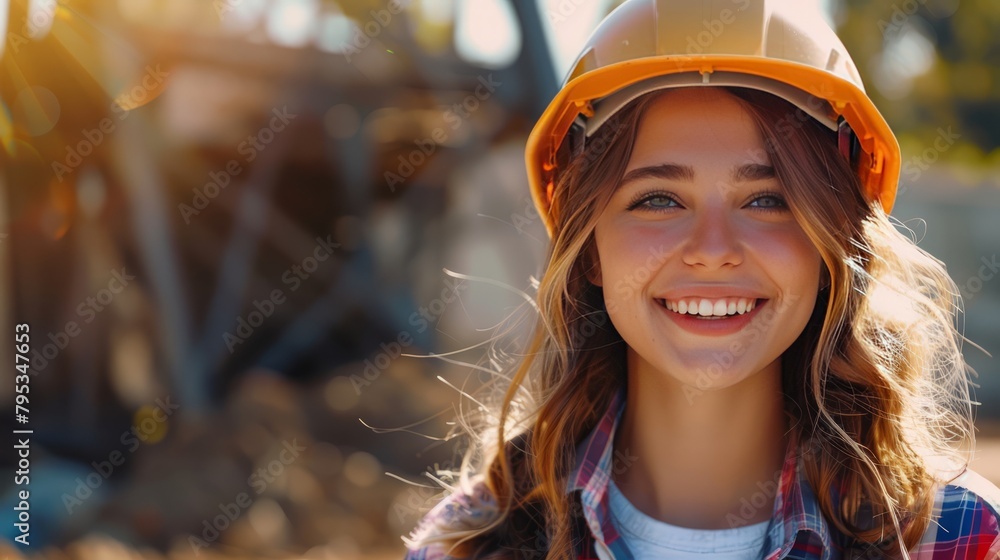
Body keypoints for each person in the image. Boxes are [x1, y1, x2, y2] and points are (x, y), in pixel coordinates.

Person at [402, 1, 1000, 558]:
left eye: (768, 200)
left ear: (836, 246)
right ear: (588, 250)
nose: (713, 251)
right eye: (659, 199)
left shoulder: (957, 539)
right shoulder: (467, 544)